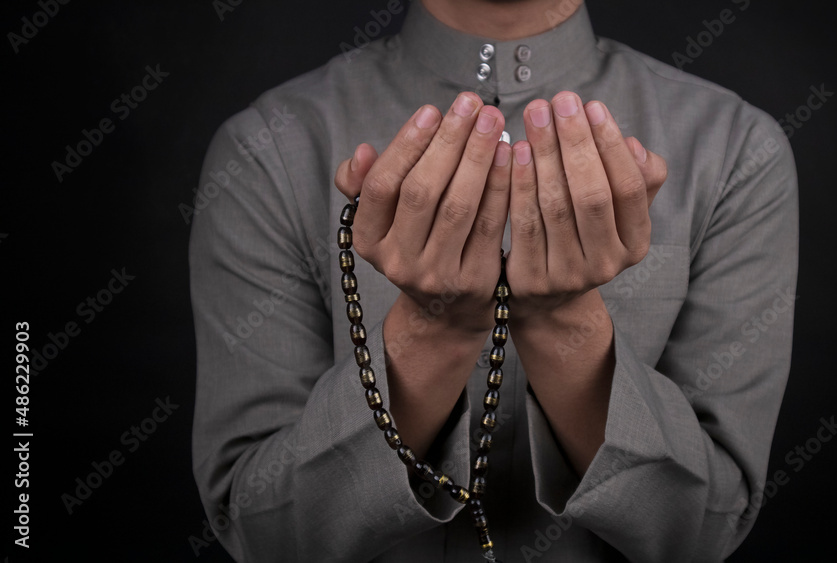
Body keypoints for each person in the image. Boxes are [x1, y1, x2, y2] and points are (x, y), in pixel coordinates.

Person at [189, 0, 799, 561]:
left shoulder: (735, 149)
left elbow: (707, 529)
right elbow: (259, 527)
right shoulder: (268, 149)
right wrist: (433, 330)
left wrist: (568, 323)